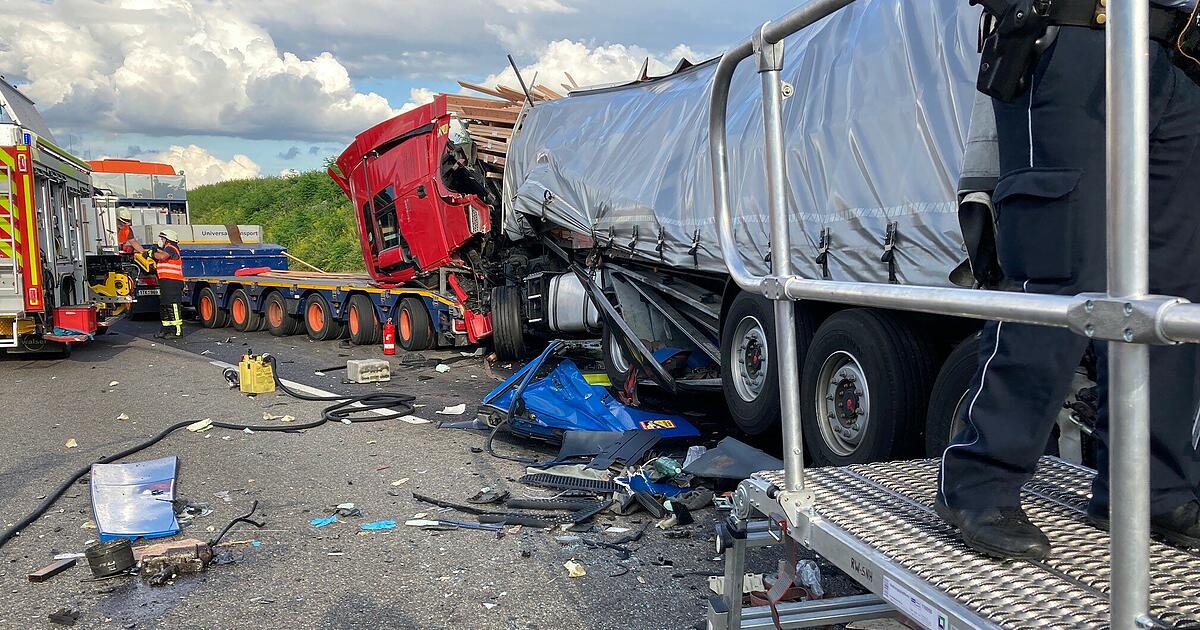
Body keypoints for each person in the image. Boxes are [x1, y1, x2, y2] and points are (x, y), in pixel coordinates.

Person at [937, 0, 1200, 560]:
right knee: (1057, 273)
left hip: (1183, 59)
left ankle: (1153, 488)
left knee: (1173, 296)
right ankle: (978, 480)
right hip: (1080, 30)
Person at [152, 228, 185, 339]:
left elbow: (162, 256)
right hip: (166, 282)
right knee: (165, 306)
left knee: (173, 306)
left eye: (162, 238)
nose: (160, 240)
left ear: (167, 239)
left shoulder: (171, 248)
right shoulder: (167, 249)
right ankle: (165, 330)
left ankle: (177, 331)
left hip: (173, 282)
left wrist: (152, 254)